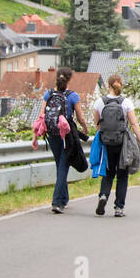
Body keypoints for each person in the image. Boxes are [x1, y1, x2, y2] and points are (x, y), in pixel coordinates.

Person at [92, 74, 140, 217]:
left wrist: (104, 137)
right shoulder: (126, 102)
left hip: (106, 142)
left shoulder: (99, 102)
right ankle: (119, 208)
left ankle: (103, 196)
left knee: (108, 172)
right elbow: (134, 124)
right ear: (120, 85)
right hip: (122, 142)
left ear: (109, 85)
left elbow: (97, 124)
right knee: (122, 175)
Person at [35, 66, 87, 213]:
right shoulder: (72, 96)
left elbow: (42, 114)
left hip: (52, 134)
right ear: (69, 79)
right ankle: (57, 202)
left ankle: (64, 198)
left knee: (60, 164)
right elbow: (80, 117)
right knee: (64, 166)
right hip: (67, 135)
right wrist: (85, 128)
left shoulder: (48, 94)